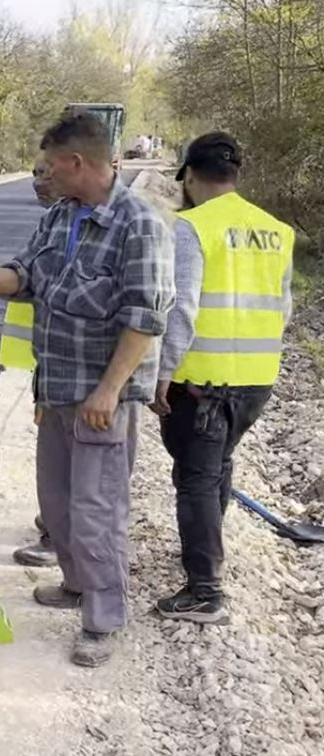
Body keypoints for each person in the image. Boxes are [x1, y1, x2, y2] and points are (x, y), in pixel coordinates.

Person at [0, 113, 175, 667]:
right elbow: (25, 279)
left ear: (76, 162)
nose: (44, 175)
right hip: (56, 388)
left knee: (97, 511)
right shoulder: (59, 218)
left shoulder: (139, 226)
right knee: (59, 504)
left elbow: (145, 318)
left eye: (50, 165)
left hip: (101, 399)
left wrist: (109, 391)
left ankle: (103, 618)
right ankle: (75, 584)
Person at [150, 132, 294, 625]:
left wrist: (163, 371)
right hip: (257, 379)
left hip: (203, 382)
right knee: (217, 466)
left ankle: (205, 590)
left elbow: (182, 308)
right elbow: (283, 307)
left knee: (196, 477)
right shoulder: (276, 230)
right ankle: (204, 550)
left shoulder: (193, 227)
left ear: (190, 176)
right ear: (234, 175)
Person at [7, 155, 59, 569]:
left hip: (75, 371)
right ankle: (55, 522)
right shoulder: (54, 221)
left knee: (69, 464)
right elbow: (24, 275)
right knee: (53, 455)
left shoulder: (96, 224)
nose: (38, 182)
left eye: (47, 174)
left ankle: (59, 536)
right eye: (35, 174)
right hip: (47, 363)